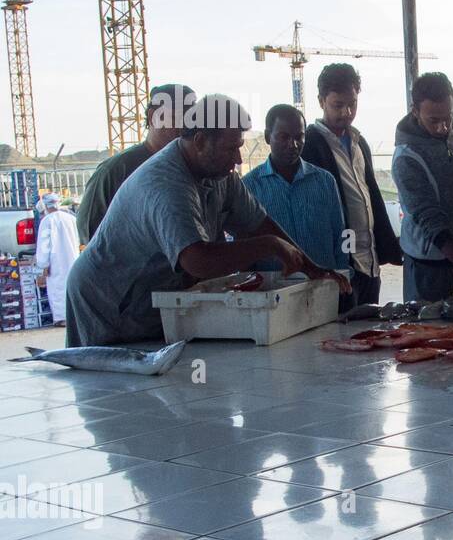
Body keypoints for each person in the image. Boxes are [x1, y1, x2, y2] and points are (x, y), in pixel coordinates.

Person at [63, 95, 346, 347]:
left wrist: (312, 268)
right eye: (230, 149)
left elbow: (258, 222)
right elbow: (197, 260)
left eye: (240, 147)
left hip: (155, 297)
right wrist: (269, 246)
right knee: (110, 392)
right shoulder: (166, 183)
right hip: (109, 300)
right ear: (199, 142)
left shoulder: (222, 175)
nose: (237, 159)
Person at [300, 62, 401, 310]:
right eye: (338, 105)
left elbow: (372, 197)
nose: (346, 112)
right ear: (321, 101)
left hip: (369, 262)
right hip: (338, 266)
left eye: (352, 104)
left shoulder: (359, 143)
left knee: (369, 336)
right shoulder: (310, 144)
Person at [392, 72, 453, 301]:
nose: (443, 127)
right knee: (427, 332)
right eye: (433, 120)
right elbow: (430, 219)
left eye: (447, 117)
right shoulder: (405, 158)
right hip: (427, 267)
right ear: (415, 111)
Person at [76, 83, 193, 244]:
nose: (186, 128)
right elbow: (90, 234)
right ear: (154, 117)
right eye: (177, 118)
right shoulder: (115, 171)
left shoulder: (195, 171)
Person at [242, 104, 350, 277]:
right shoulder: (248, 187)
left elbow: (342, 233)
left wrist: (344, 272)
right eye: (283, 137)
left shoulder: (325, 181)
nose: (293, 144)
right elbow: (245, 249)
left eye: (299, 137)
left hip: (323, 285)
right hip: (275, 291)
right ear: (268, 137)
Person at [34, 193, 78, 326]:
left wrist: (42, 266)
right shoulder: (71, 218)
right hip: (73, 258)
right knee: (71, 287)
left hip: (55, 261)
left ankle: (62, 318)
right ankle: (74, 316)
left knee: (57, 289)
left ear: (46, 206)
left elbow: (44, 245)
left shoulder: (47, 221)